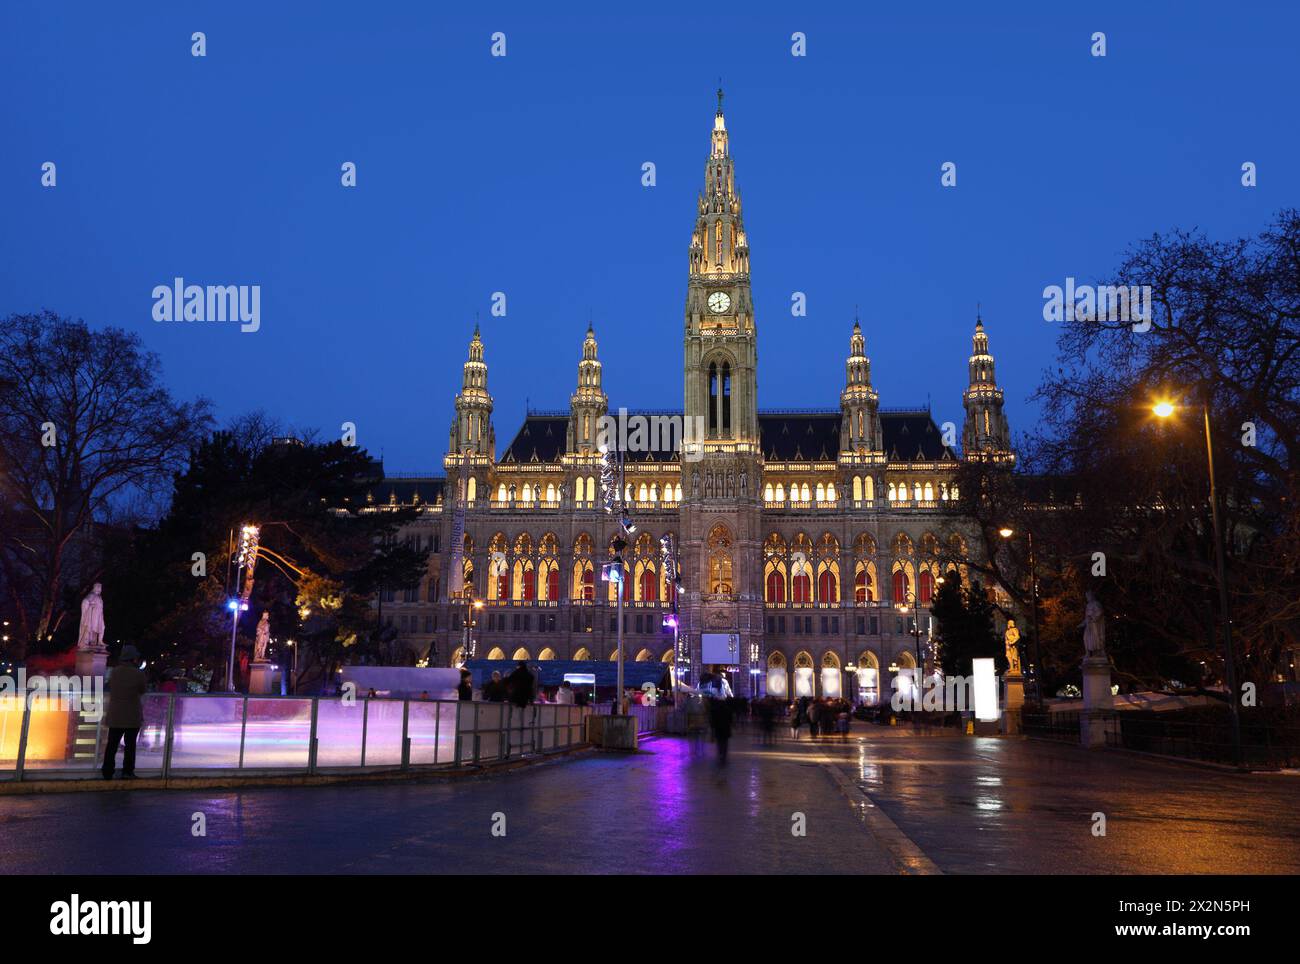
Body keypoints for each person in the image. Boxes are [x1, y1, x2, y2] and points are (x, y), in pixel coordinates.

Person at [101, 645, 147, 780]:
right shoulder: (138, 674)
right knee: (130, 745)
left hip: (115, 714)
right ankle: (127, 771)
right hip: (132, 715)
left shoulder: (115, 672)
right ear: (134, 659)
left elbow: (109, 686)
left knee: (112, 744)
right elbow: (142, 690)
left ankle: (107, 771)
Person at [707, 695, 734, 766]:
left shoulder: (715, 710)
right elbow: (731, 720)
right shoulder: (728, 709)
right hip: (726, 728)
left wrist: (712, 731)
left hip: (718, 728)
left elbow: (712, 721)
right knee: (725, 743)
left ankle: (720, 755)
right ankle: (723, 756)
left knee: (719, 743)